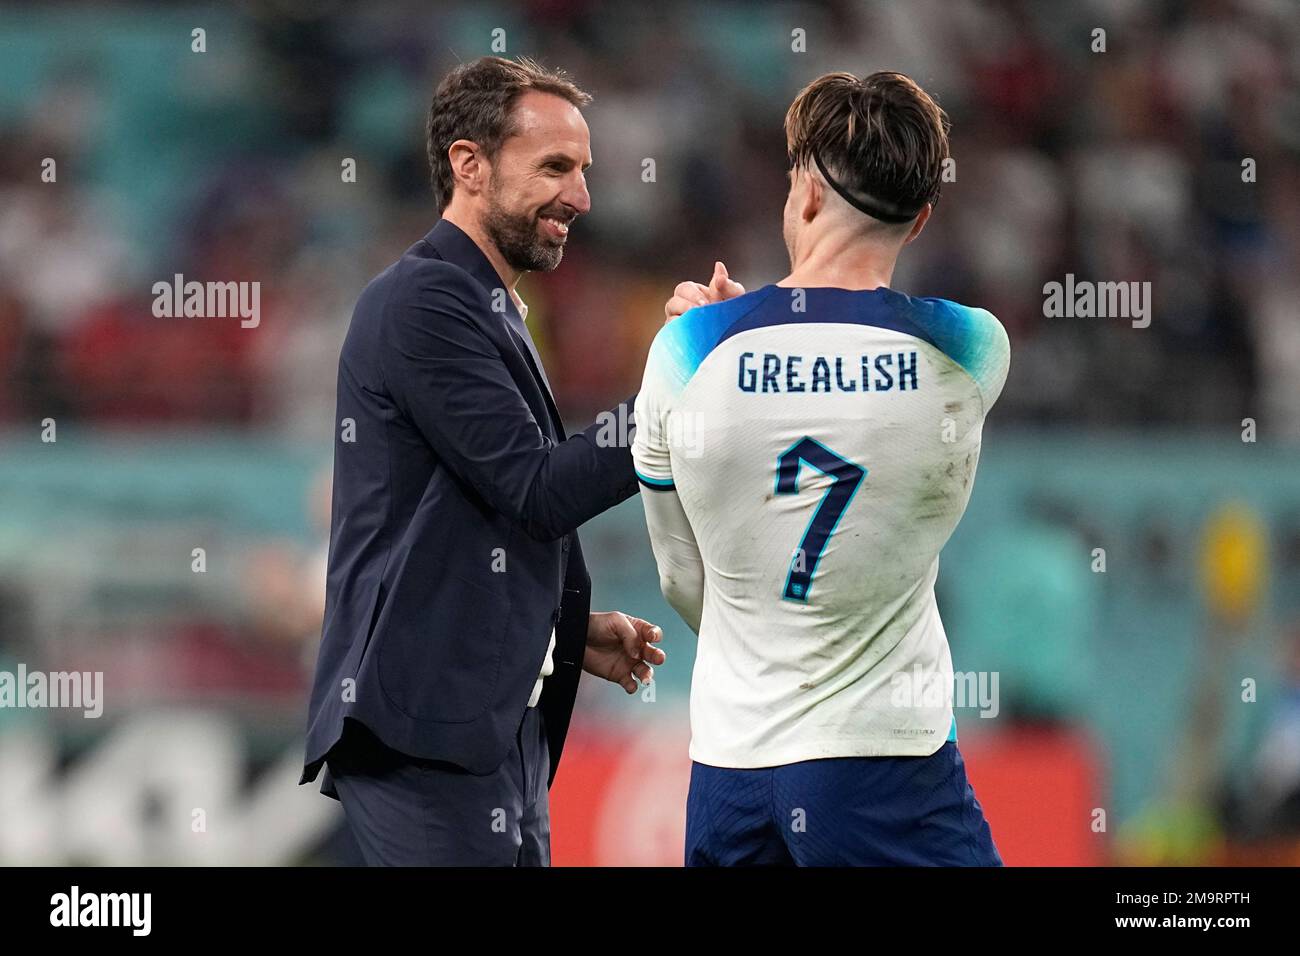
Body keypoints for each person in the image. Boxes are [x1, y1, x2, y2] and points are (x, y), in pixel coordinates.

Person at [634, 71, 1009, 866]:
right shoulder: (971, 349)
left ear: (804, 194)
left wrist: (717, 328)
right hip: (886, 762)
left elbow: (677, 576)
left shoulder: (686, 352)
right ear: (918, 223)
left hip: (728, 773)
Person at [300, 56, 668, 866]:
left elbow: (474, 521)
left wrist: (564, 633)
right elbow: (536, 489)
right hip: (427, 738)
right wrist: (677, 388)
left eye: (584, 170)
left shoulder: (484, 305)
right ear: (469, 165)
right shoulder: (425, 299)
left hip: (484, 734)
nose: (581, 196)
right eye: (555, 167)